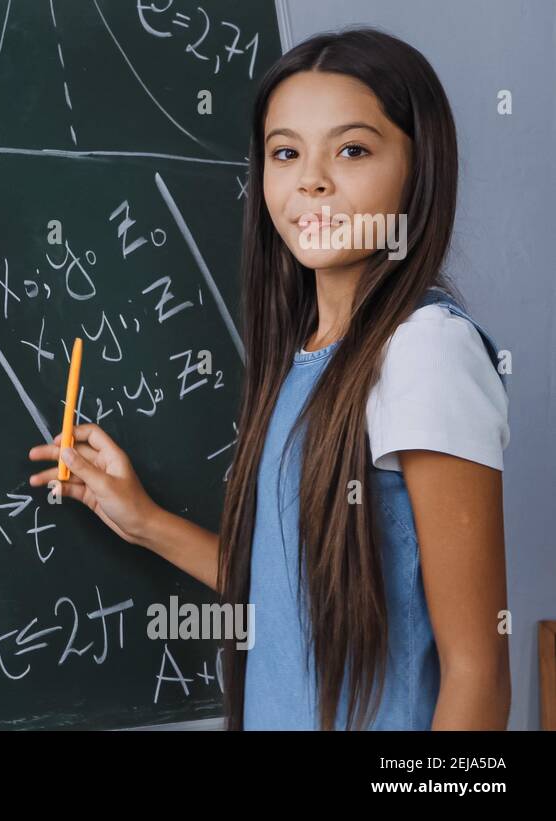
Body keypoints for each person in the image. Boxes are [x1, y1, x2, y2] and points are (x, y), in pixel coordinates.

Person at [28, 27, 510, 730]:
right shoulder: (306, 353)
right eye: (286, 152)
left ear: (419, 166)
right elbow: (290, 602)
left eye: (352, 149)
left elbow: (479, 670)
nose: (311, 179)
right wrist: (145, 521)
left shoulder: (425, 351)